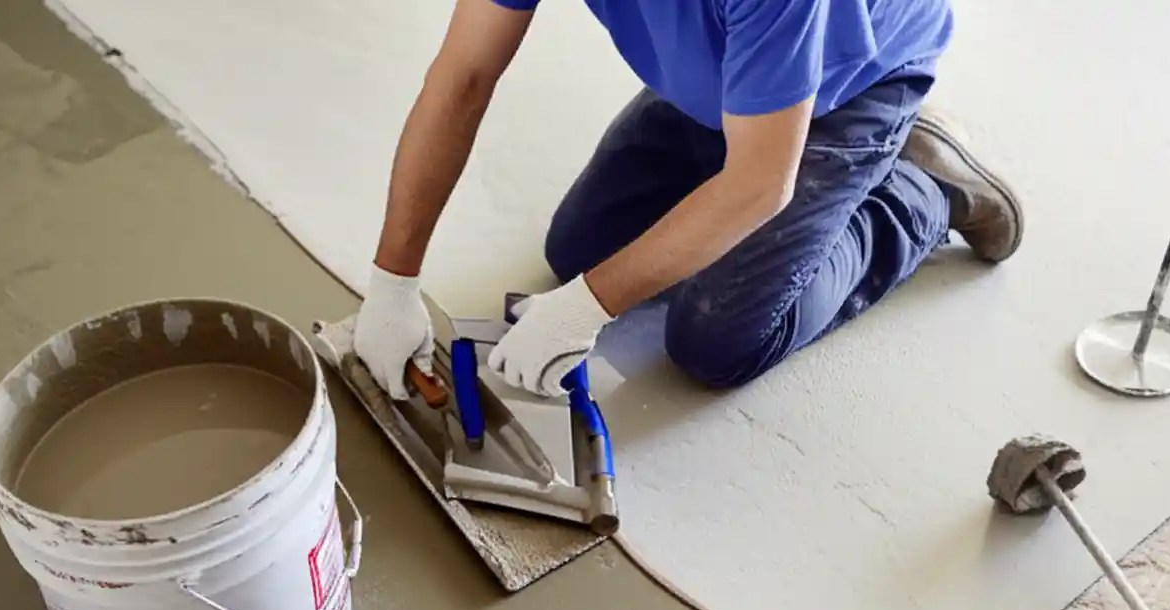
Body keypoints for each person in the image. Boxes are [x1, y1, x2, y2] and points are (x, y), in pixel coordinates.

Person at [354, 0, 1021, 400]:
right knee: (579, 250)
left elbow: (760, 185)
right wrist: (392, 280)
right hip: (733, 65)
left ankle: (922, 190)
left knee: (716, 342)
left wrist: (585, 309)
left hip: (849, 84)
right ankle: (741, 108)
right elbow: (464, 77)